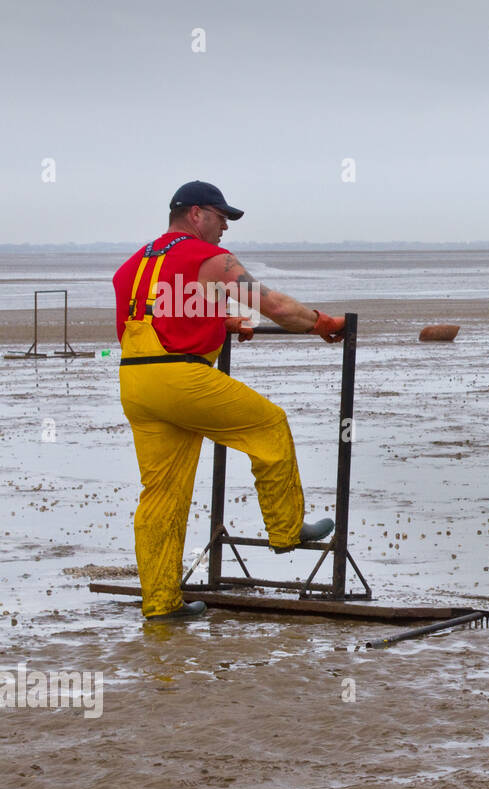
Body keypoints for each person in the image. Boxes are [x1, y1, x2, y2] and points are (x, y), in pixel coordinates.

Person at [112, 181, 345, 620]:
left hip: (136, 384)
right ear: (197, 214)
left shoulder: (135, 264)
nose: (225, 229)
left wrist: (219, 325)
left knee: (161, 494)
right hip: (182, 379)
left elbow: (154, 314)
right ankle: (286, 529)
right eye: (221, 218)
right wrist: (319, 322)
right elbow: (275, 306)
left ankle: (161, 604)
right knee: (269, 424)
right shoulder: (207, 257)